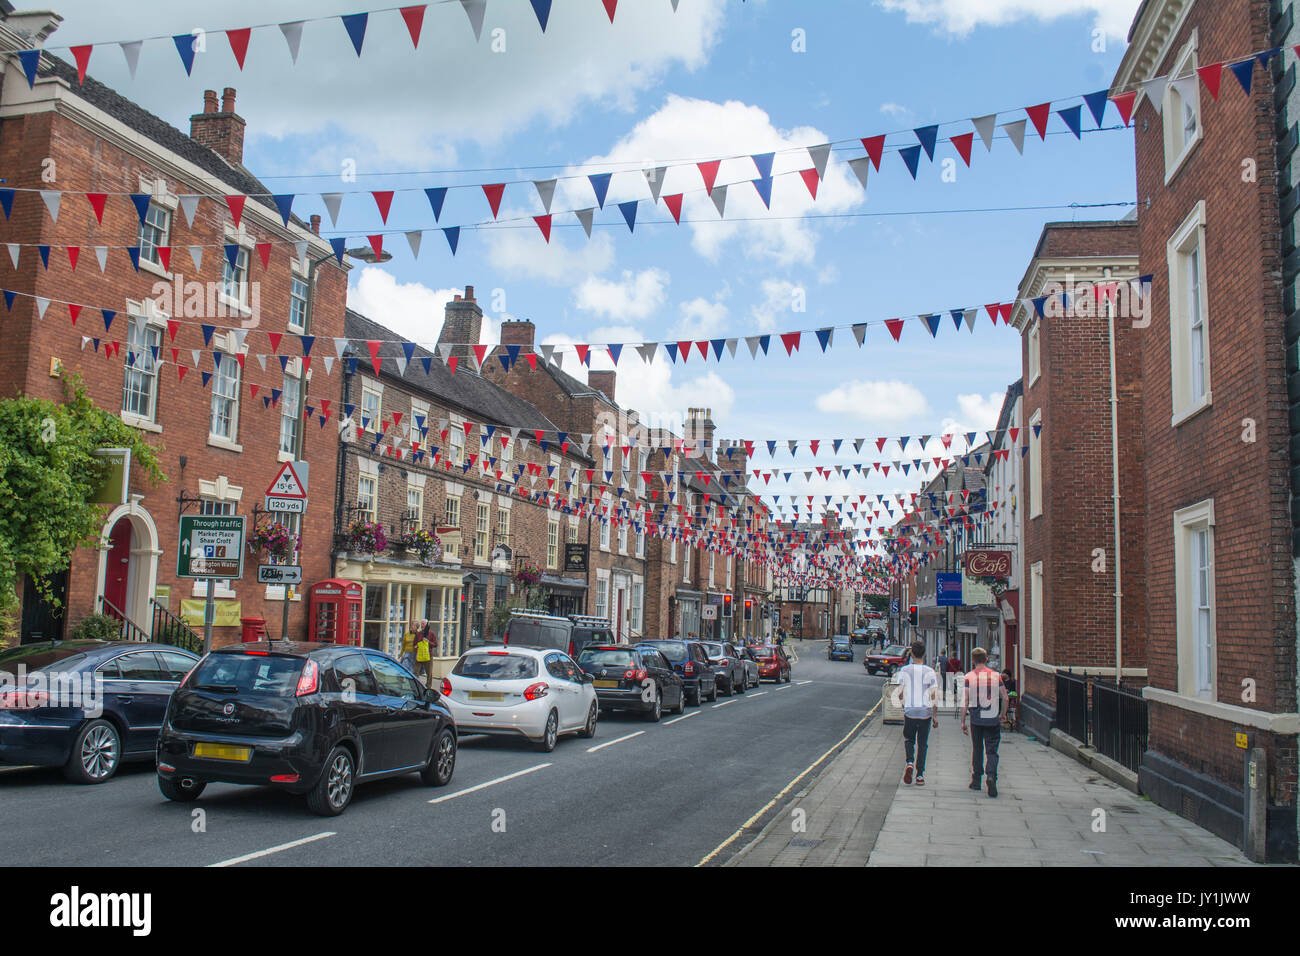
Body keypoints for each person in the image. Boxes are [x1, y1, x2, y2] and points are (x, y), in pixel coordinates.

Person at [961, 647, 1009, 798]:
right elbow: (1005, 697)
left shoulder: (969, 677)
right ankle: (991, 776)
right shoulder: (996, 676)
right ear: (986, 659)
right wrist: (1003, 714)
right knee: (992, 750)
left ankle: (976, 780)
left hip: (976, 719)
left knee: (977, 748)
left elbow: (966, 700)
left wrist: (963, 721)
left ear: (973, 660)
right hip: (993, 718)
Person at [897, 641, 939, 787]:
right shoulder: (930, 671)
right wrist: (935, 715)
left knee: (909, 739)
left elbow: (900, 693)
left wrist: (904, 706)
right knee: (923, 744)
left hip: (910, 710)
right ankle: (920, 775)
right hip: (925, 712)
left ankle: (909, 762)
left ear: (912, 654)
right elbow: (934, 695)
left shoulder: (904, 670)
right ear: (925, 654)